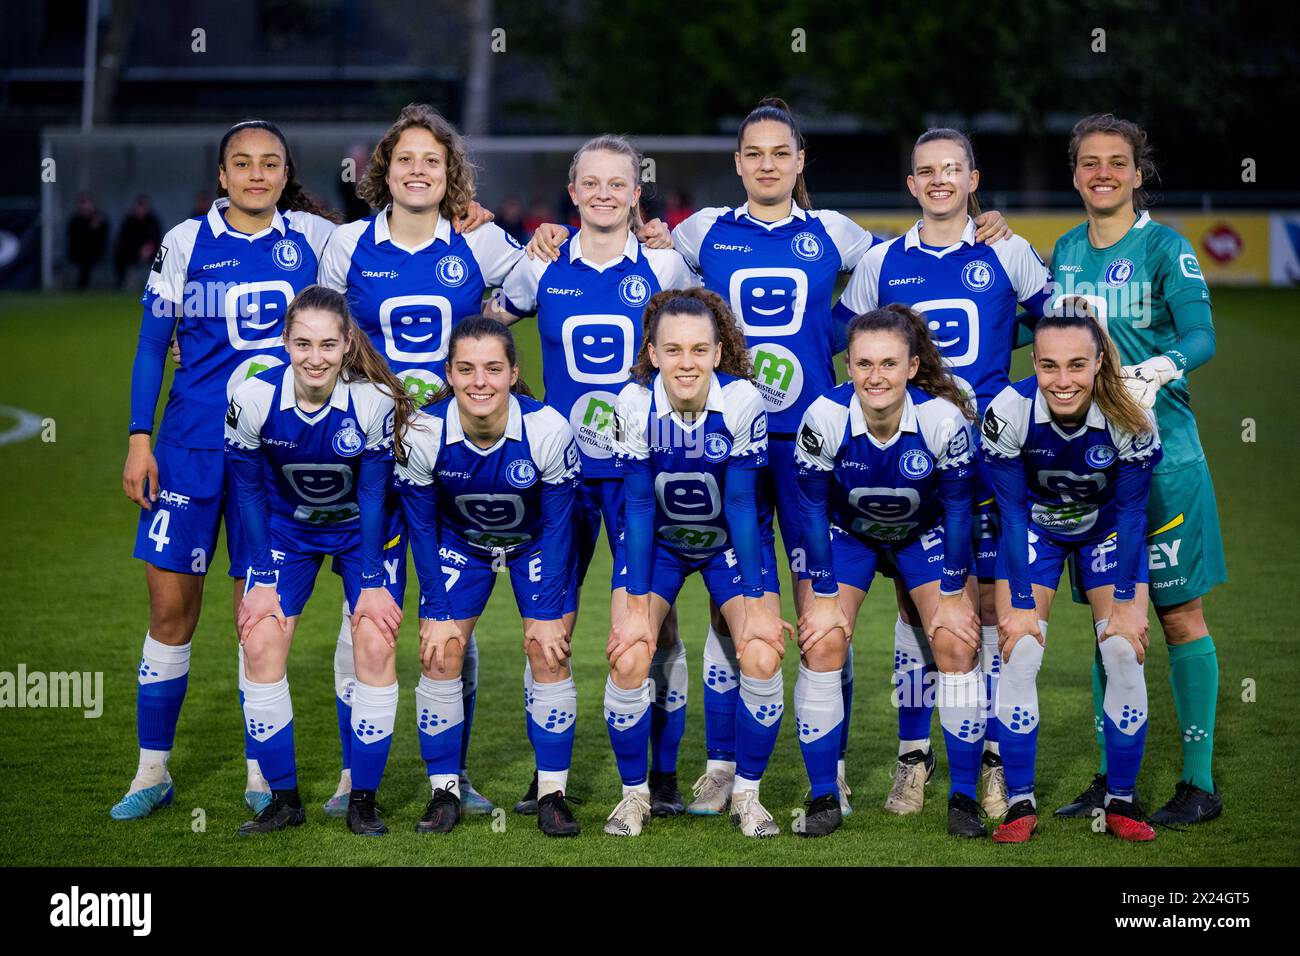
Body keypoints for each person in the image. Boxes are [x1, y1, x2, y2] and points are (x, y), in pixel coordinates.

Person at [113, 119, 337, 821]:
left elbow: (394, 231)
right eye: (242, 163)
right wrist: (139, 438)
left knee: (257, 618)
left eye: (270, 163)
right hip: (186, 451)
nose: (256, 174)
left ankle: (258, 774)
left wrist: (472, 215)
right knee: (170, 613)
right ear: (221, 175)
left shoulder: (316, 240)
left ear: (285, 172)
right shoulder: (184, 242)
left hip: (271, 460)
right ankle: (152, 771)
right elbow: (153, 346)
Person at [835, 128, 1052, 819]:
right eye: (926, 171)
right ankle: (912, 756)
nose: (938, 181)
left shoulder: (1006, 251)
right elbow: (846, 341)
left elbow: (1058, 329)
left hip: (991, 459)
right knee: (916, 609)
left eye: (951, 170)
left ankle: (989, 757)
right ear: (911, 184)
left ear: (971, 178)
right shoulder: (882, 260)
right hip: (910, 460)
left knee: (984, 609)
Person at [317, 103, 517, 817]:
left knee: (451, 620)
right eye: (405, 159)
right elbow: (314, 332)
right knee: (362, 616)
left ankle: (450, 777)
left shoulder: (484, 244)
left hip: (455, 465)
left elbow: (539, 291)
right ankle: (352, 774)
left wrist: (551, 235)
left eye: (432, 160)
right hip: (366, 458)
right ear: (383, 171)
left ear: (450, 172)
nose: (418, 170)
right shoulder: (346, 246)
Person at [492, 134, 697, 816]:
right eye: (592, 183)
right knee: (550, 621)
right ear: (574, 192)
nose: (605, 193)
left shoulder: (666, 271)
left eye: (619, 183)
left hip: (644, 474)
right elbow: (485, 327)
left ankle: (661, 775)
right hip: (563, 476)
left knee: (651, 624)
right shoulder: (539, 266)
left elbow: (707, 346)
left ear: (638, 194)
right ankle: (549, 777)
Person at [1047, 114, 1224, 827]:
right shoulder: (1061, 249)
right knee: (1106, 623)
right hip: (1089, 462)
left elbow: (1203, 335)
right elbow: (1042, 325)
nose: (1103, 174)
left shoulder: (1165, 248)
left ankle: (1200, 784)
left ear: (1137, 171)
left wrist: (1160, 367)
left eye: (1116, 163)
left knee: (1179, 617)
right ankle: (1109, 777)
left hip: (1166, 460)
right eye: (1090, 163)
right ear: (1075, 173)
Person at [605, 288, 793, 838]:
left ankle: (748, 795)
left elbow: (740, 503)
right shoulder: (634, 403)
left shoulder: (741, 402)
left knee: (760, 651)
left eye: (697, 350)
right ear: (654, 352)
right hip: (658, 540)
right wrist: (638, 601)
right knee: (630, 653)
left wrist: (757, 596)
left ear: (716, 353)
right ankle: (634, 796)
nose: (686, 363)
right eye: (673, 350)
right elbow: (638, 503)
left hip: (728, 542)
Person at [225, 285, 409, 835]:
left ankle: (363, 799)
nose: (315, 357)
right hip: (288, 530)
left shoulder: (372, 401)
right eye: (303, 343)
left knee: (375, 640)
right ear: (285, 342)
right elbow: (249, 490)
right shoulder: (252, 399)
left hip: (363, 533)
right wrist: (259, 576)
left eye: (329, 345)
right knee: (259, 639)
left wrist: (372, 581)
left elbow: (375, 494)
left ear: (347, 343)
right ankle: (284, 800)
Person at [796, 304, 983, 837]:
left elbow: (958, 507)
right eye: (863, 364)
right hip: (848, 533)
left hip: (921, 532)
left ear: (912, 366)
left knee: (953, 638)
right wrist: (825, 592)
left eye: (888, 364)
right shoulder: (825, 417)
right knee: (823, 638)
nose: (875, 376)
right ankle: (824, 797)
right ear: (848, 366)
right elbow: (810, 508)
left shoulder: (943, 419)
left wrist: (951, 590)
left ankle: (963, 798)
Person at [396, 317, 583, 837]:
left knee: (549, 650)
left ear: (513, 373)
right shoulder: (424, 432)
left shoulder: (547, 429)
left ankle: (552, 794)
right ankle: (444, 793)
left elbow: (561, 524)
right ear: (449, 375)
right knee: (439, 650)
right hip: (463, 545)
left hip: (536, 542)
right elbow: (421, 526)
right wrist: (434, 609)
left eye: (493, 369)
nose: (480, 381)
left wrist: (547, 615)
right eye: (467, 369)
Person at [982, 310, 1162, 843]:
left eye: (1078, 366)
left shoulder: (1131, 416)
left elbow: (1132, 515)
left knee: (1124, 649)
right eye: (1050, 366)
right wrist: (1017, 604)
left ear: (1101, 362)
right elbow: (1011, 513)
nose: (1063, 381)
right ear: (1033, 362)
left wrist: (1128, 602)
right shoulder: (1009, 411)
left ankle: (1122, 801)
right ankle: (1020, 802)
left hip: (1108, 530)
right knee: (1020, 648)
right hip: (1033, 527)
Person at [114, 194, 163, 290]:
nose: (141, 210)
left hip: (151, 252)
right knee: (119, 255)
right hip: (132, 252)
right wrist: (138, 250)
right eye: (139, 206)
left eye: (143, 207)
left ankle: (157, 286)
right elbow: (124, 240)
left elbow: (157, 238)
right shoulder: (129, 221)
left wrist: (149, 248)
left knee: (162, 256)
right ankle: (123, 283)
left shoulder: (153, 221)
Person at [67, 191, 109, 290]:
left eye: (88, 203)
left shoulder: (100, 219)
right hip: (78, 252)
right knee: (86, 258)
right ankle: (82, 286)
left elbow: (102, 238)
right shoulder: (75, 220)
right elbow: (76, 239)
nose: (86, 207)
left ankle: (85, 286)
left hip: (96, 252)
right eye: (84, 203)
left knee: (89, 257)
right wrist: (90, 228)